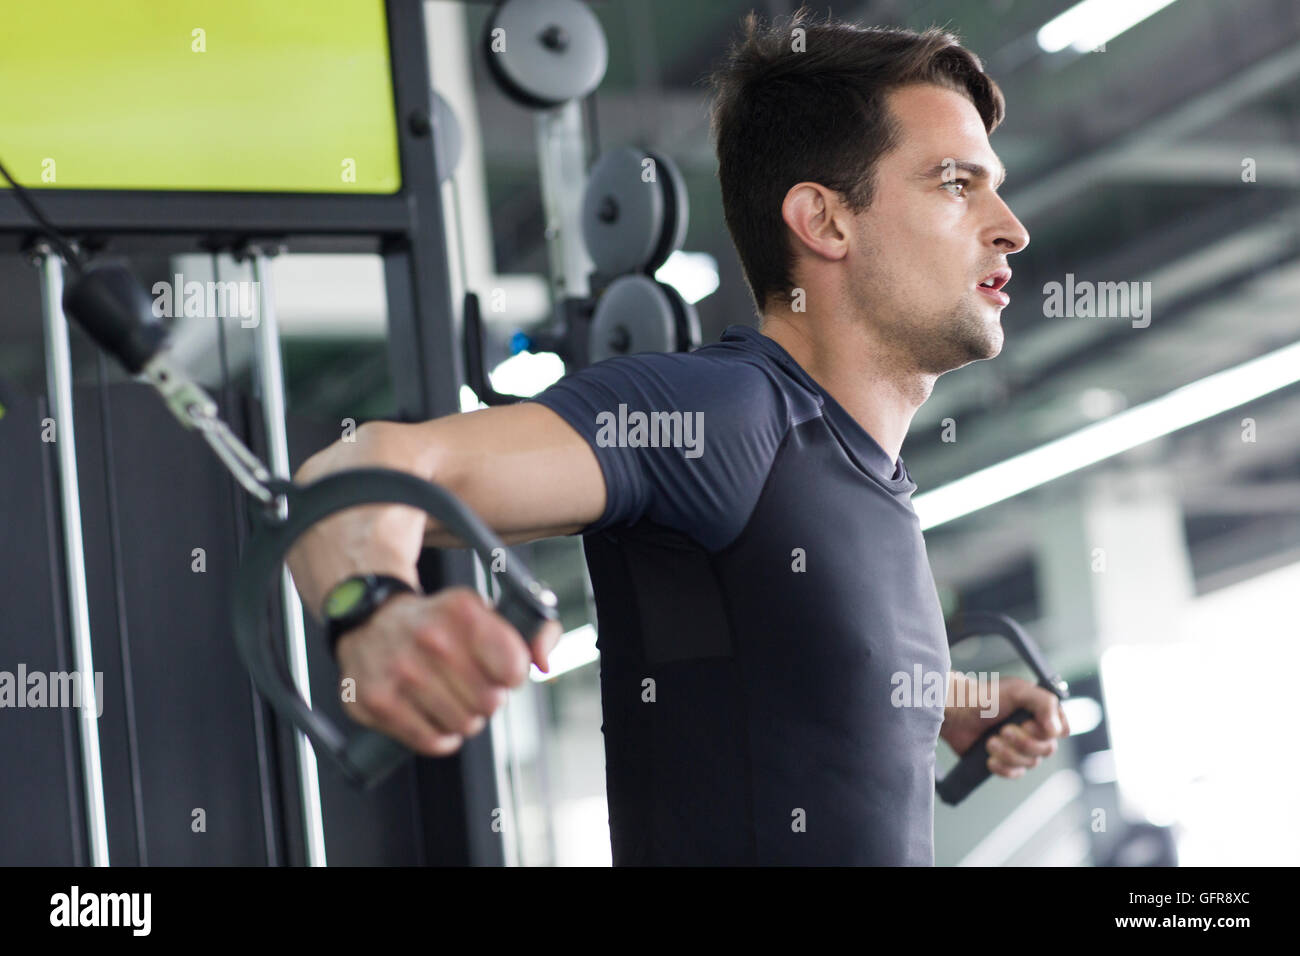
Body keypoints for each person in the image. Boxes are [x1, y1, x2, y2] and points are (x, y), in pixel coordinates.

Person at [286, 7, 1070, 865]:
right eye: (956, 184)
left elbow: (758, 651)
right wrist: (374, 609)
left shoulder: (858, 469)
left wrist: (929, 697)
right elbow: (359, 470)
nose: (1011, 225)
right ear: (825, 221)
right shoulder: (724, 416)